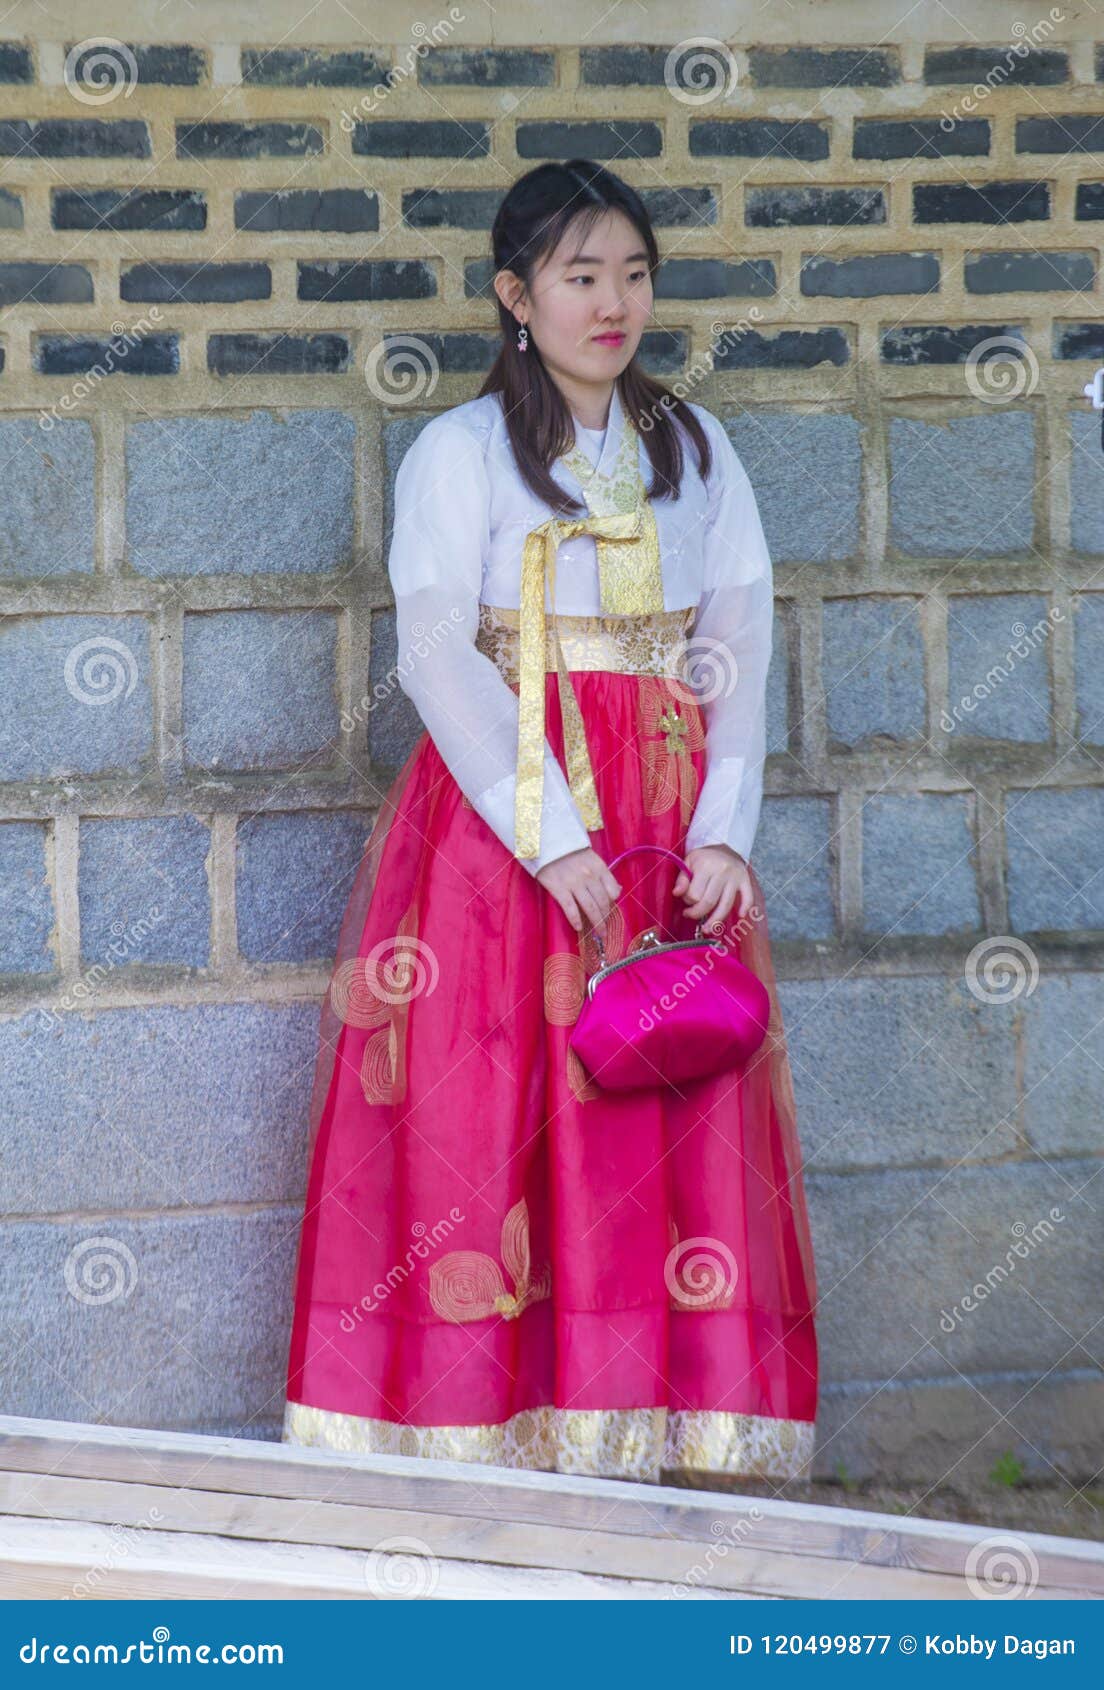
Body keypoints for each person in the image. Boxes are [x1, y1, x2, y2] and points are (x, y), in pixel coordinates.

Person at [281, 158, 819, 1485]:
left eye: (634, 272)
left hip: (668, 824)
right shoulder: (459, 453)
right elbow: (437, 659)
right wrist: (556, 833)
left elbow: (738, 642)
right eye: (582, 276)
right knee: (501, 1102)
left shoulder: (694, 448)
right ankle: (482, 1426)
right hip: (508, 827)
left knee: (667, 1091)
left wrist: (726, 829)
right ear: (517, 295)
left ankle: (668, 1424)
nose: (614, 301)